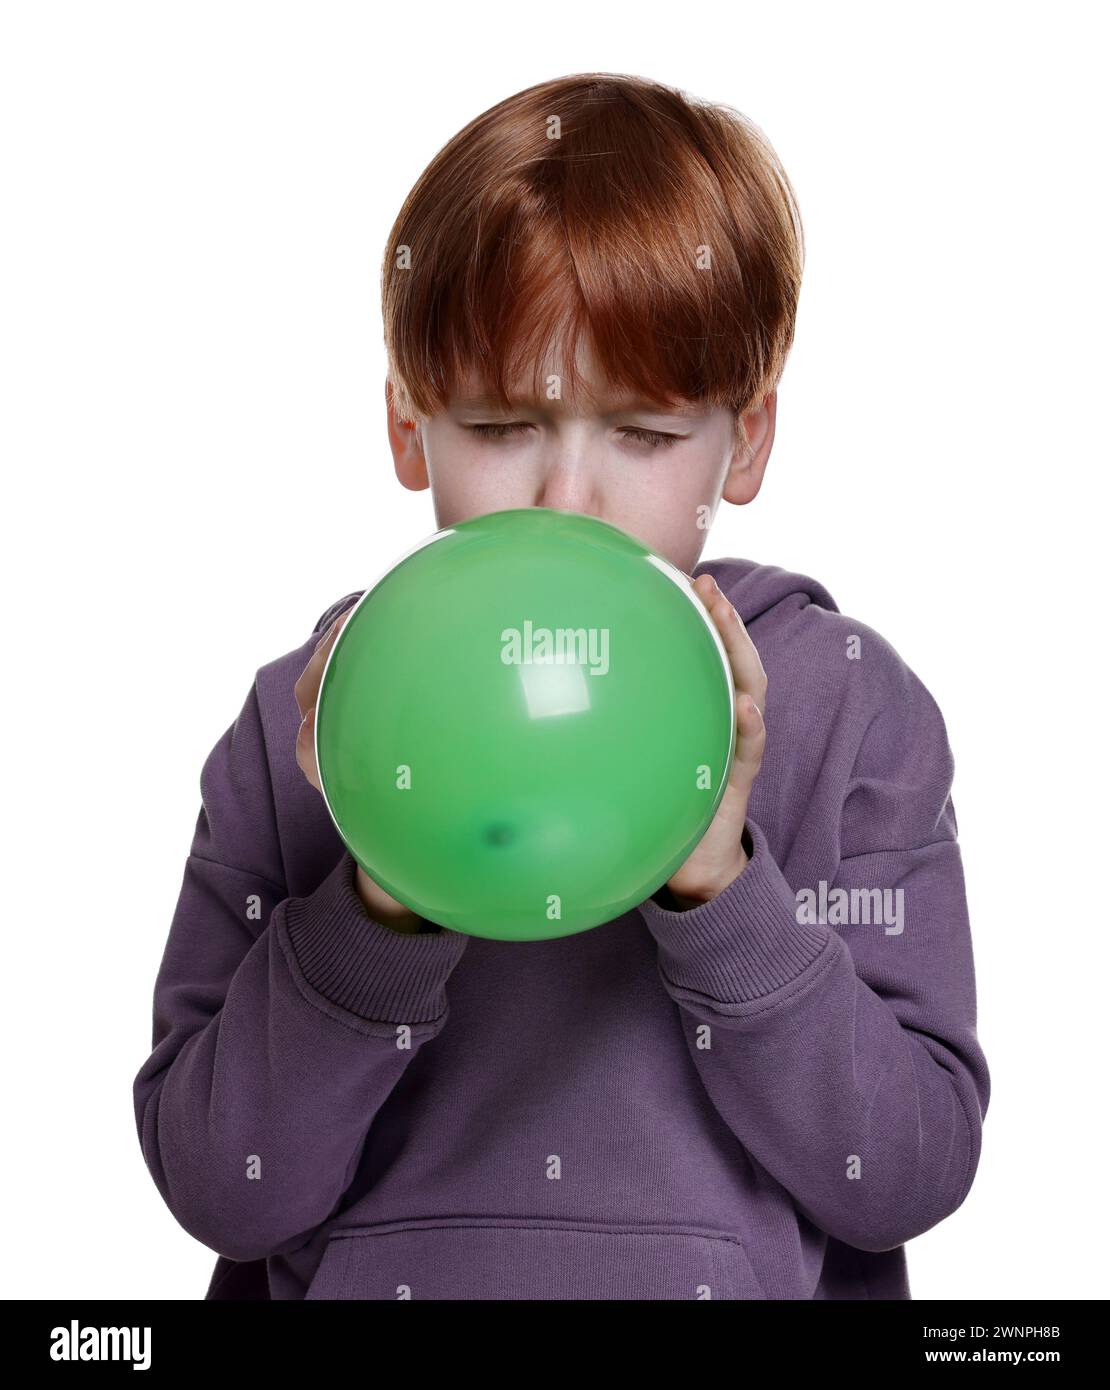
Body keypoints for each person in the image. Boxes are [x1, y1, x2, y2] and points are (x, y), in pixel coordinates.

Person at [133, 71, 990, 1300]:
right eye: (497, 427)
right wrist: (379, 891)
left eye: (641, 436)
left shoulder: (848, 710)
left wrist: (722, 883)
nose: (566, 502)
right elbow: (221, 1189)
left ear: (743, 440)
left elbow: (907, 1174)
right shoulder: (299, 725)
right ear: (407, 426)